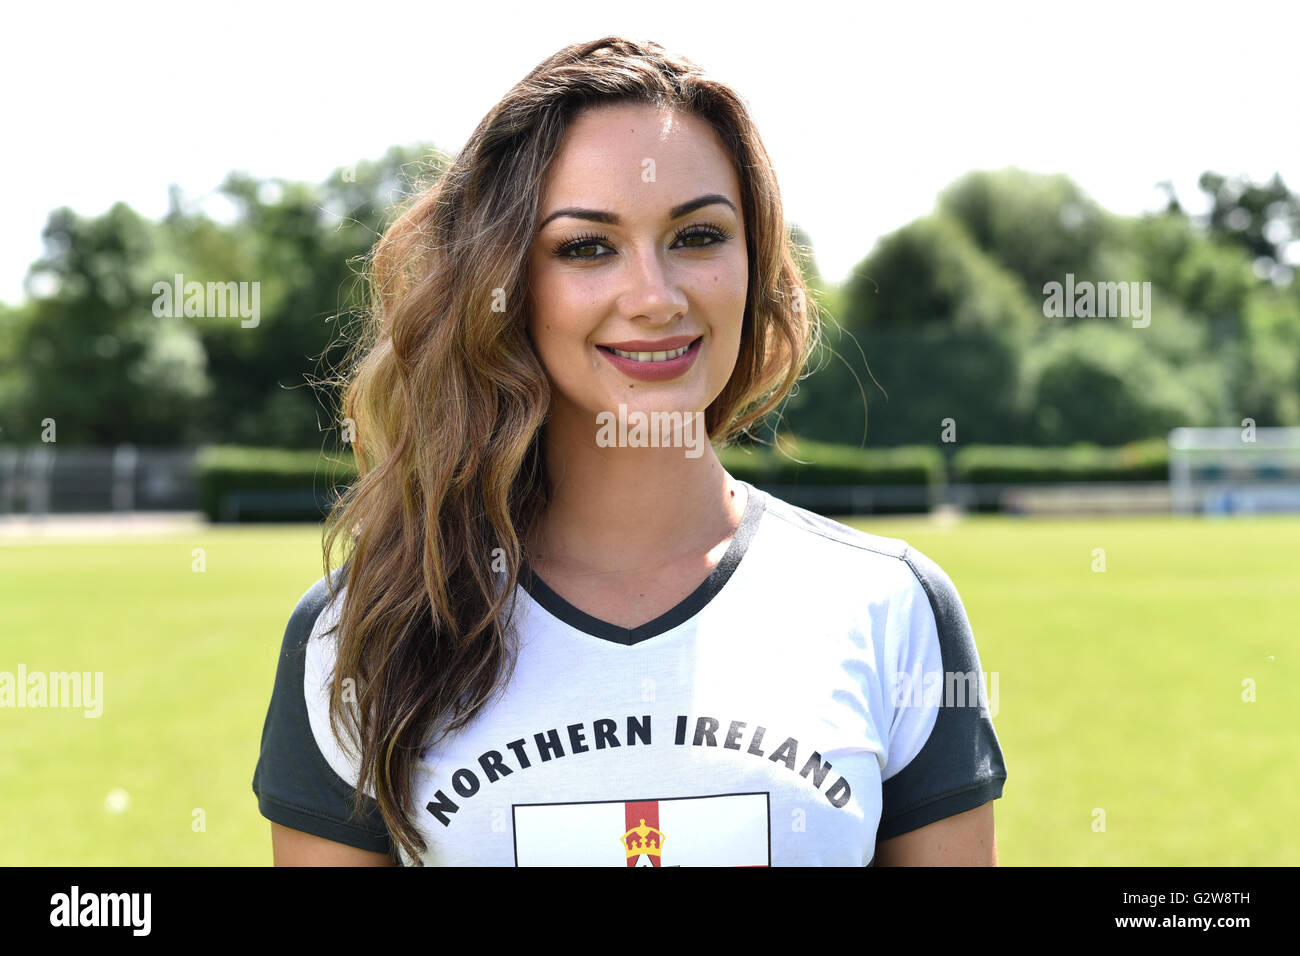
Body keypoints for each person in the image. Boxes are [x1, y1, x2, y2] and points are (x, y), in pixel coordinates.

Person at [252, 35, 1006, 867]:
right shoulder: (365, 626)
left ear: (754, 264)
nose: (655, 296)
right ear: (504, 286)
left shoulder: (890, 607)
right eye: (587, 247)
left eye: (698, 236)